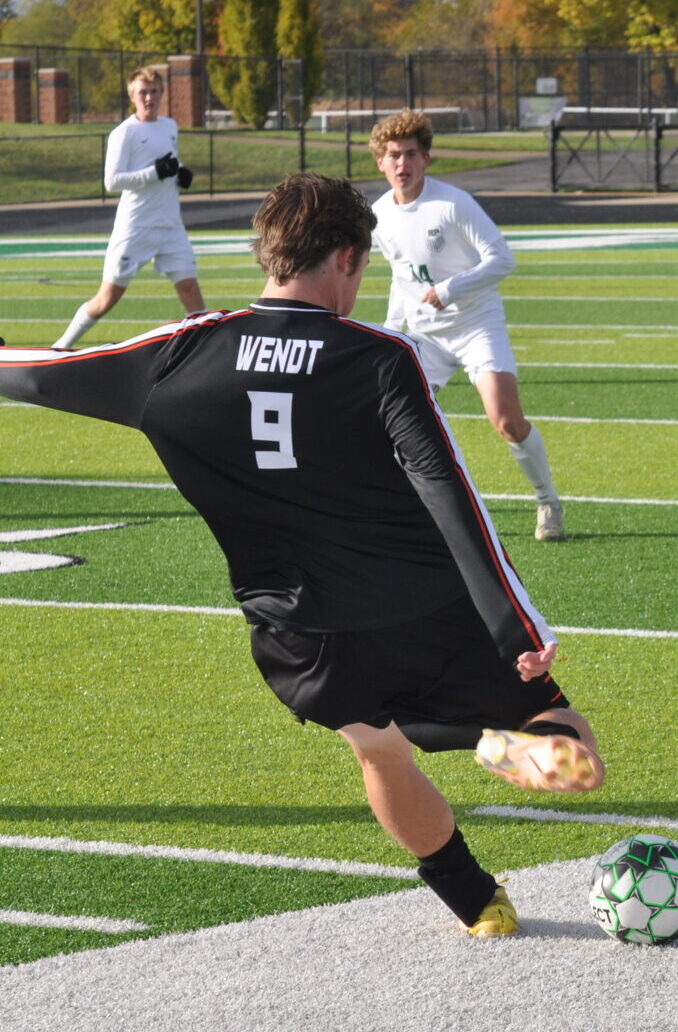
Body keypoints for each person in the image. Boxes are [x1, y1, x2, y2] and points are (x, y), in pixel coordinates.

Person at [0, 173, 603, 939]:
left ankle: (474, 899)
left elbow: (36, 377)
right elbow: (448, 490)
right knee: (570, 748)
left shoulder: (181, 354)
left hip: (299, 636)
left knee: (378, 752)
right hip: (426, 613)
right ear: (347, 258)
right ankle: (490, 740)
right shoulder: (380, 357)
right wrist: (514, 625)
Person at [368, 109, 565, 542]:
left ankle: (547, 499)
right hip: (423, 333)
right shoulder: (378, 215)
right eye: (394, 156)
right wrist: (391, 331)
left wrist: (451, 289)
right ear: (380, 162)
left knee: (507, 421)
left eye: (412, 155)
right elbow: (401, 279)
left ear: (427, 160)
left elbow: (502, 259)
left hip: (476, 324)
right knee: (392, 422)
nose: (403, 164)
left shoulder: (453, 203)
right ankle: (409, 510)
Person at [52, 67, 204, 351]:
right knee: (107, 298)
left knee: (190, 289)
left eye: (154, 91)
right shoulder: (124, 133)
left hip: (171, 225)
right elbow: (112, 180)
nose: (149, 97)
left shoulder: (169, 126)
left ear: (162, 93)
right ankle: (60, 347)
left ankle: (205, 351)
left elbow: (170, 161)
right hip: (136, 226)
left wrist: (180, 172)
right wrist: (153, 173)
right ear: (132, 95)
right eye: (142, 92)